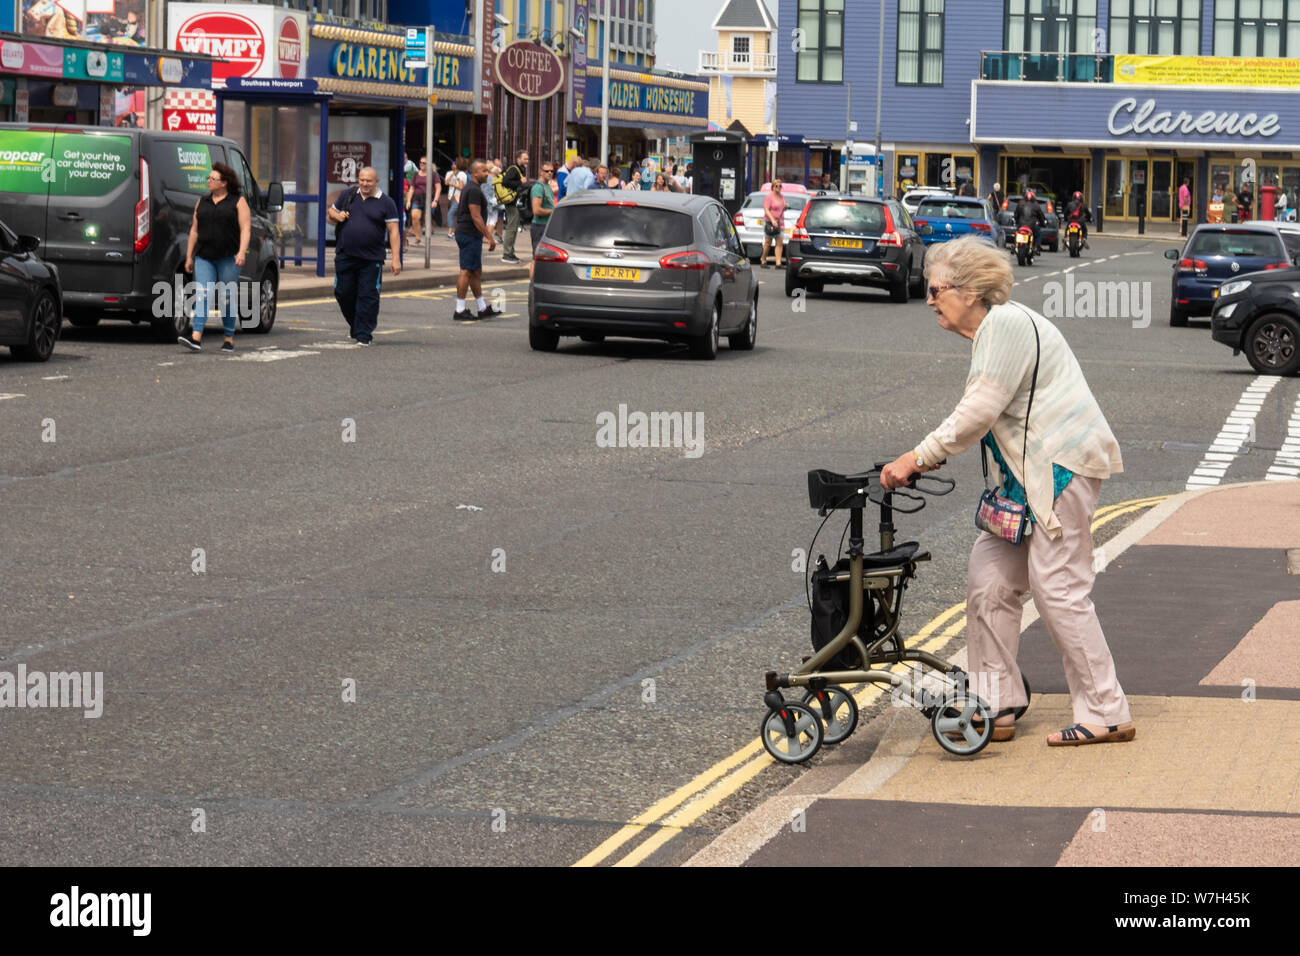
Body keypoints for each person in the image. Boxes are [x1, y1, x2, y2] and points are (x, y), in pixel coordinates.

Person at [880, 236, 1132, 747]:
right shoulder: (995, 329)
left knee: (1059, 589)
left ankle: (1107, 710)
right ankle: (996, 702)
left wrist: (916, 457)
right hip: (1021, 487)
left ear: (969, 291)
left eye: (935, 290)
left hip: (1059, 472)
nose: (928, 299)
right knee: (989, 580)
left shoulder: (1006, 326)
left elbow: (978, 411)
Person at [325, 166, 401, 346]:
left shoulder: (387, 203)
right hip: (345, 254)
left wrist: (395, 258)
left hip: (371, 258)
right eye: (362, 180)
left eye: (369, 181)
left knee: (368, 296)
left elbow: (394, 232)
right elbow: (330, 213)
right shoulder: (348, 195)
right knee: (343, 292)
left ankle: (363, 334)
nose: (365, 184)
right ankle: (356, 325)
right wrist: (339, 215)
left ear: (376, 182)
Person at [180, 162, 251, 353]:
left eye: (213, 179)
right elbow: (194, 231)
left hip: (229, 257)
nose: (209, 181)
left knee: (226, 296)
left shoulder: (237, 201)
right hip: (204, 257)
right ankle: (196, 337)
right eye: (208, 178)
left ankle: (228, 338)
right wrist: (189, 257)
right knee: (203, 294)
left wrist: (241, 252)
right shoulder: (202, 202)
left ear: (224, 183)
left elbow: (245, 229)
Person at [453, 159, 500, 321]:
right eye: (483, 171)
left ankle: (482, 308)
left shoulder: (473, 188)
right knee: (466, 271)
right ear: (474, 173)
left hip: (470, 234)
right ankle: (459, 310)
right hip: (469, 234)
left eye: (487, 171)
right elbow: (476, 216)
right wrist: (489, 237)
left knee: (475, 271)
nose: (487, 174)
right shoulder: (473, 190)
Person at [528, 162, 556, 278]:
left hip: (546, 226)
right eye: (547, 171)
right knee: (536, 257)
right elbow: (536, 210)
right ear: (541, 172)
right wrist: (554, 211)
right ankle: (532, 285)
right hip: (539, 227)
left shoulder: (547, 186)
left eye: (551, 171)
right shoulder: (538, 188)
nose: (549, 173)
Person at [501, 150, 529, 265]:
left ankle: (510, 252)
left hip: (513, 202)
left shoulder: (518, 169)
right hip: (510, 202)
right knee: (511, 228)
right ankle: (507, 254)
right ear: (518, 159)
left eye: (527, 159)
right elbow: (505, 182)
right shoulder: (514, 169)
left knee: (513, 227)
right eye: (525, 159)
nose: (527, 161)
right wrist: (520, 182)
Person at [404, 156, 437, 244]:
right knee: (415, 216)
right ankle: (418, 237)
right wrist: (408, 200)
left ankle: (427, 237)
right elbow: (412, 188)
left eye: (424, 163)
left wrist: (435, 200)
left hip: (429, 198)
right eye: (420, 163)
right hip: (417, 198)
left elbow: (438, 188)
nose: (421, 164)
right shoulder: (416, 174)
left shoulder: (433, 175)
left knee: (427, 218)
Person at [760, 179, 787, 269]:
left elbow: (782, 208)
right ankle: (763, 260)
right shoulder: (769, 197)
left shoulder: (782, 197)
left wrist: (785, 207)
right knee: (768, 243)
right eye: (776, 186)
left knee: (779, 242)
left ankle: (778, 263)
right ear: (773, 187)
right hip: (770, 222)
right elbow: (766, 210)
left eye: (780, 186)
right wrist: (772, 220)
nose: (778, 187)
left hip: (780, 222)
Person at [1014, 188, 1045, 257]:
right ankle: (1036, 247)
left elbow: (1016, 215)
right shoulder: (1036, 206)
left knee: (1016, 233)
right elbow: (1041, 217)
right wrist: (1043, 223)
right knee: (1039, 234)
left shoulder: (1020, 204)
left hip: (1021, 225)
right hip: (1032, 226)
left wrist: (1016, 221)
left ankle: (1015, 245)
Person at [444, 161, 465, 239]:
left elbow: (461, 187)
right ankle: (454, 231)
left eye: (455, 166)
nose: (454, 167)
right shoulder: (449, 173)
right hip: (450, 196)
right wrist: (452, 175)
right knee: (453, 213)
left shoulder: (461, 174)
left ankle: (450, 232)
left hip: (458, 196)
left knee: (451, 213)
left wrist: (452, 184)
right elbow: (446, 183)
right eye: (453, 166)